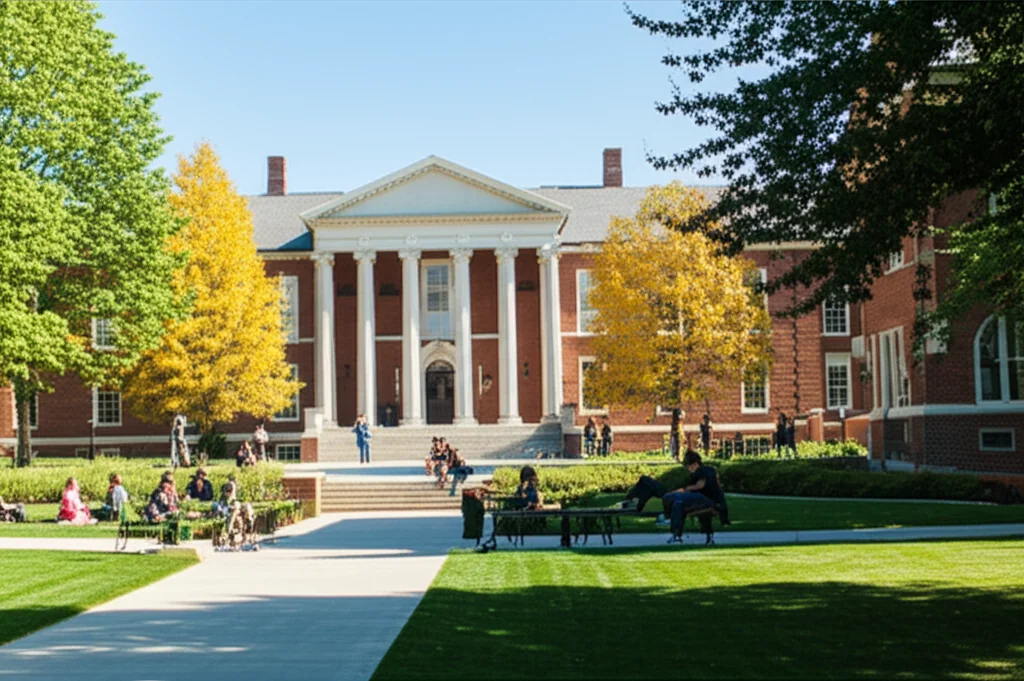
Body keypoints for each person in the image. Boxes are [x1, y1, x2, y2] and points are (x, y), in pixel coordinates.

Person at [662, 450, 729, 542]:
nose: (689, 469)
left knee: (669, 497)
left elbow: (700, 485)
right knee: (678, 504)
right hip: (708, 500)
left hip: (706, 498)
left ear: (694, 464)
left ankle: (666, 517)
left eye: (689, 466)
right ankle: (676, 534)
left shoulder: (701, 471)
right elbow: (718, 485)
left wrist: (685, 489)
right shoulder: (711, 470)